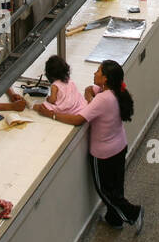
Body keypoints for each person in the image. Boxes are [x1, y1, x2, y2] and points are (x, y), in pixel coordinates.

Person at [34, 59, 142, 231]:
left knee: (105, 191)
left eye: (98, 71)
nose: (94, 73)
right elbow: (89, 89)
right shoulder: (112, 91)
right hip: (119, 146)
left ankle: (133, 213)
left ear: (105, 78)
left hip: (104, 154)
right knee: (116, 187)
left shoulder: (103, 99)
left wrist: (51, 114)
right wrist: (90, 97)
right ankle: (114, 220)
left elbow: (78, 120)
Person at [13, 54, 84, 116]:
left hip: (64, 109)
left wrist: (48, 99)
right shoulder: (70, 81)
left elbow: (53, 100)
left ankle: (31, 105)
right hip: (75, 106)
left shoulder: (55, 85)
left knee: (44, 107)